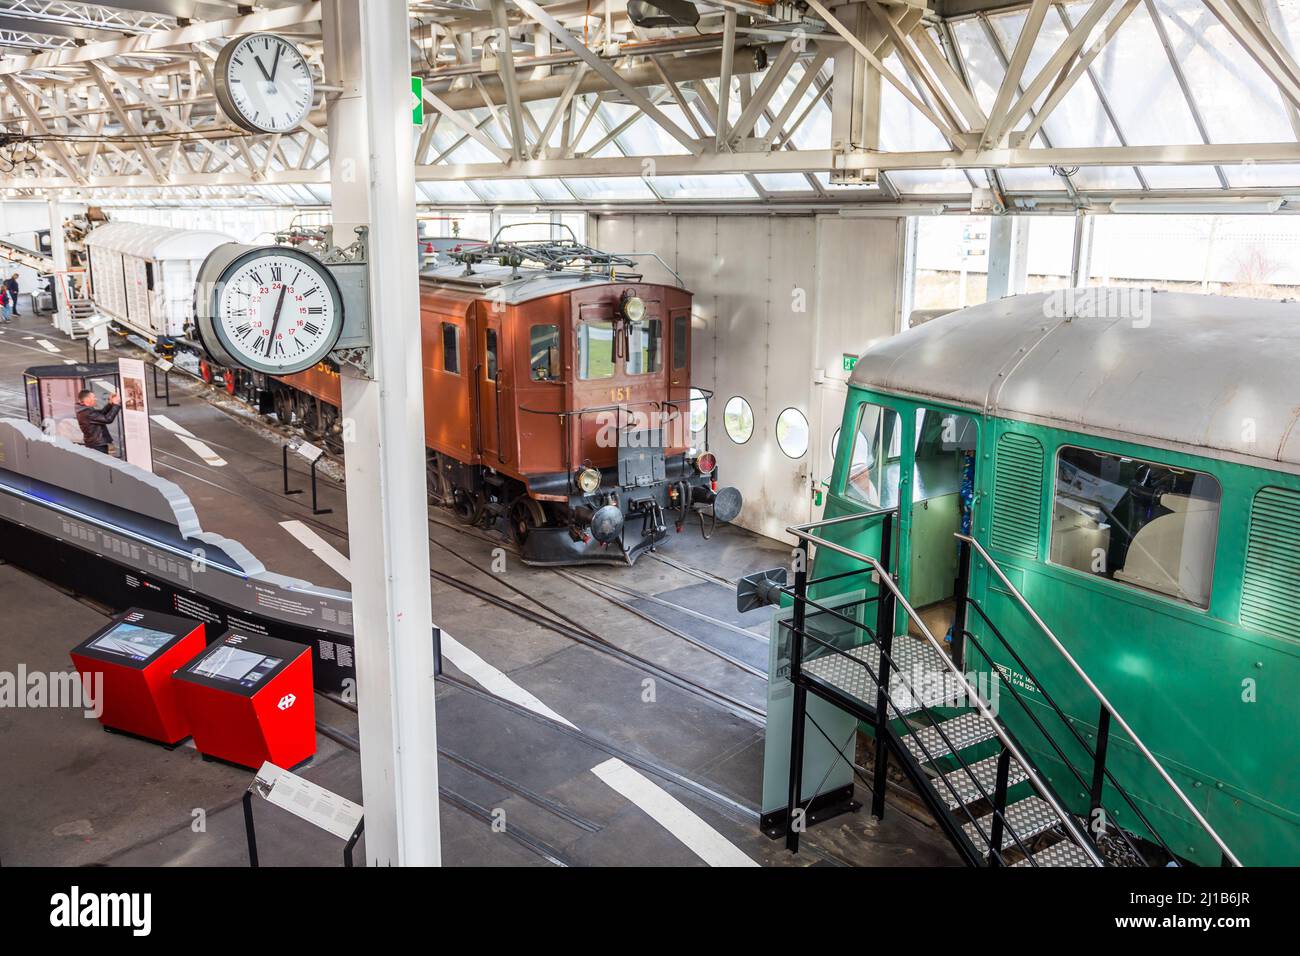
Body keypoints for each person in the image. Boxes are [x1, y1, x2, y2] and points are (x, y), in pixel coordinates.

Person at [76, 389, 121, 456]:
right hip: (97, 446)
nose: (96, 399)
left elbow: (101, 414)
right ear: (87, 400)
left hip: (95, 444)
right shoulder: (87, 412)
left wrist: (110, 403)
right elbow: (108, 419)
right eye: (94, 397)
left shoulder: (84, 410)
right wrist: (116, 404)